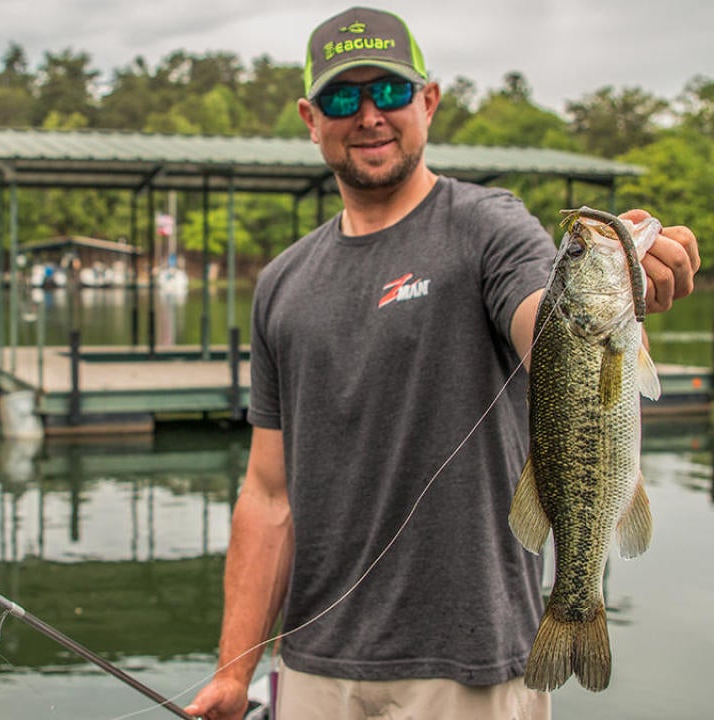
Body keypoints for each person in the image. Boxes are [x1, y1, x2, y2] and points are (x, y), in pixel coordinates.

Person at [186, 7, 700, 720]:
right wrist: (232, 671)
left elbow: (538, 321)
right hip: (311, 669)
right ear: (310, 117)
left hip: (474, 667)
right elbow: (268, 496)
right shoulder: (280, 284)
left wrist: (623, 278)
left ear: (427, 100)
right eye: (342, 97)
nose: (368, 115)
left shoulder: (491, 228)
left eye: (389, 92)